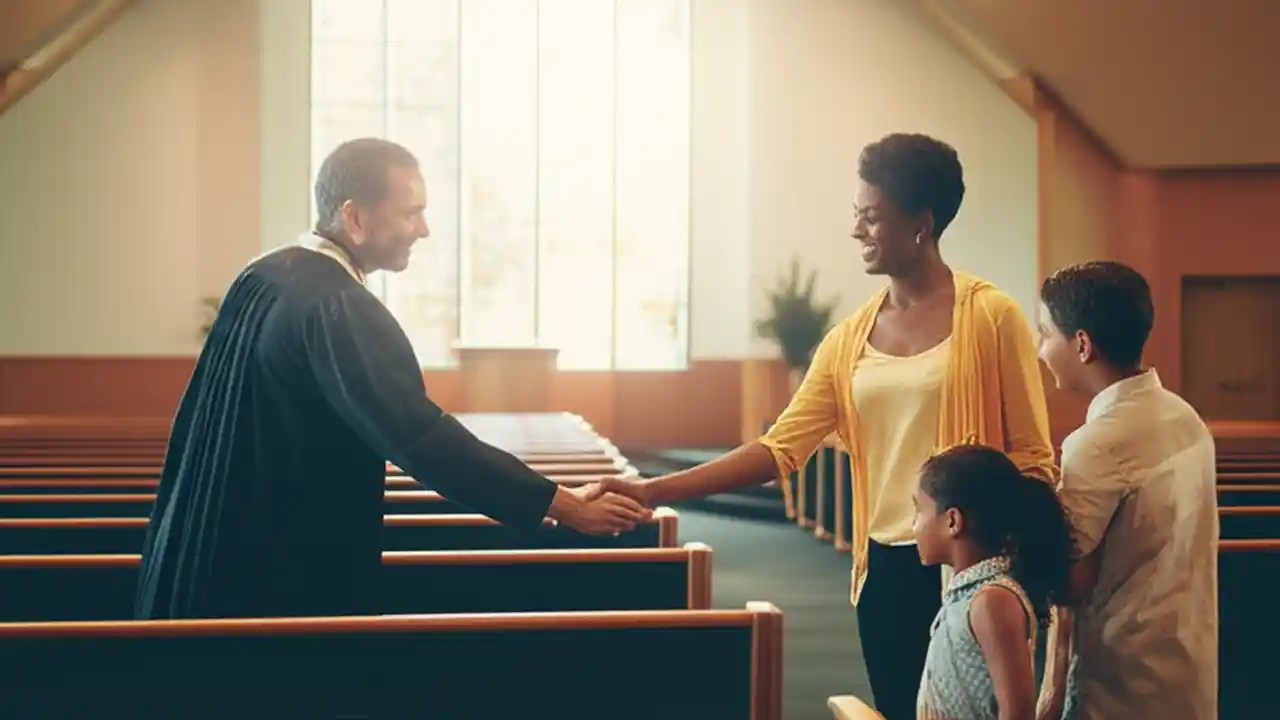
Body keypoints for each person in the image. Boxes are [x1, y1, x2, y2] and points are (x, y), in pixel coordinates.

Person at [600, 133, 1056, 719]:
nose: (857, 230)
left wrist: (1023, 573)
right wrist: (651, 490)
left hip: (976, 572)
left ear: (921, 223)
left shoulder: (992, 316)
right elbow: (778, 448)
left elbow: (1034, 459)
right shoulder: (849, 339)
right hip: (890, 570)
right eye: (856, 215)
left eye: (870, 216)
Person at [134, 138, 646, 620]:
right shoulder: (336, 303)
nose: (423, 229)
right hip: (270, 581)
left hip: (202, 552)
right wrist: (561, 504)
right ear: (354, 216)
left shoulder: (266, 274)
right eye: (411, 212)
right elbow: (419, 437)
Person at [1033, 261, 1218, 720]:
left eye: (1045, 334)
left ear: (1082, 345)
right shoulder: (1185, 417)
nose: (1040, 351)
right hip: (1189, 663)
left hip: (1124, 678)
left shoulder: (1095, 444)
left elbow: (1071, 581)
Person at [912, 444, 1075, 720]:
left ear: (953, 521)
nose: (912, 525)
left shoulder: (992, 600)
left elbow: (1018, 714)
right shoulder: (966, 595)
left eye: (918, 510)